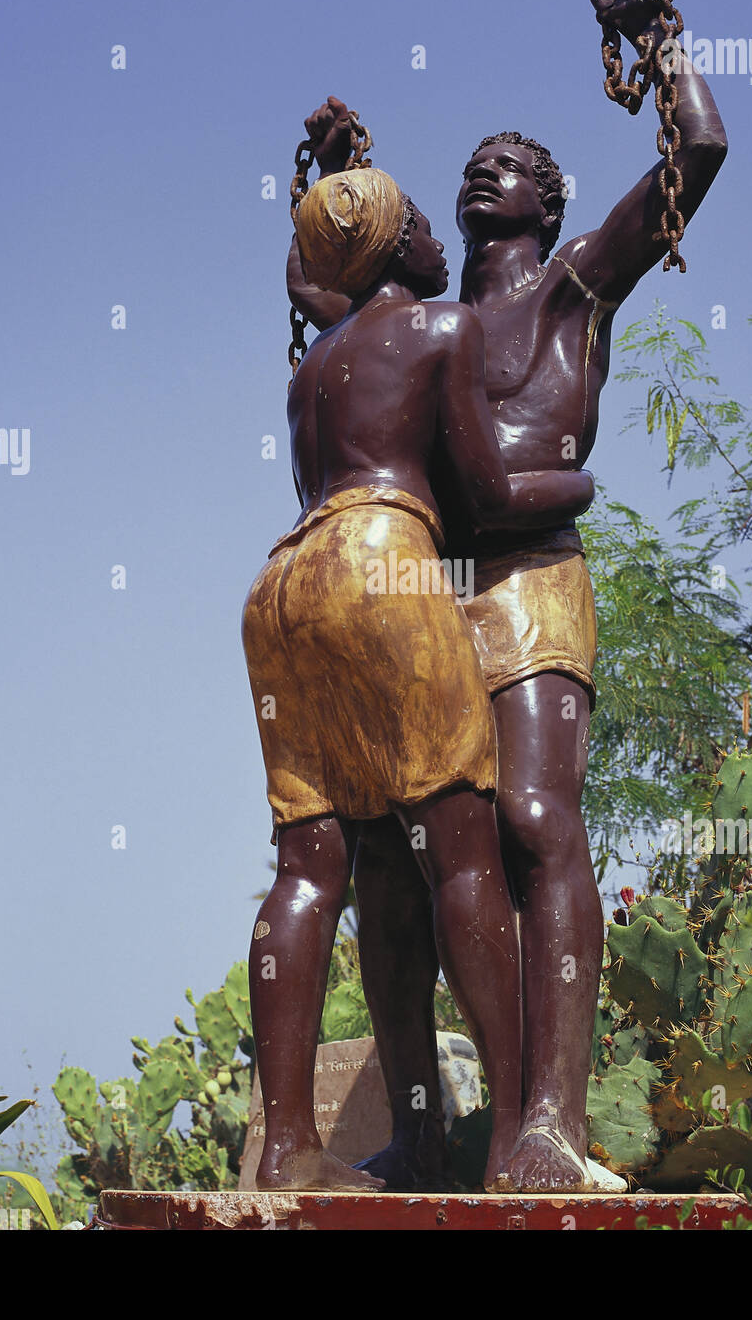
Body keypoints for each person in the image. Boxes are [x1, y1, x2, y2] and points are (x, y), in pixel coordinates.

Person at [286, 0, 728, 1192]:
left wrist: (661, 47)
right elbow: (329, 295)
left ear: (551, 197)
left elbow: (698, 151)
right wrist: (335, 190)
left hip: (531, 576)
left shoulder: (576, 282)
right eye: (473, 160)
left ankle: (547, 1118)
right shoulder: (420, 316)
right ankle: (423, 1127)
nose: (487, 167)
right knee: (391, 860)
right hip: (422, 593)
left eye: (514, 161)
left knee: (536, 824)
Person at [245, 166, 594, 1191]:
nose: (441, 236)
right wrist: (571, 478)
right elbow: (482, 486)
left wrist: (325, 213)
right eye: (418, 226)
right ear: (399, 246)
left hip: (279, 584)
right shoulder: (443, 330)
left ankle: (285, 1146)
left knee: (309, 865)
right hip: (383, 564)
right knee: (463, 848)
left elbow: (327, 292)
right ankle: (504, 1146)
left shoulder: (309, 375)